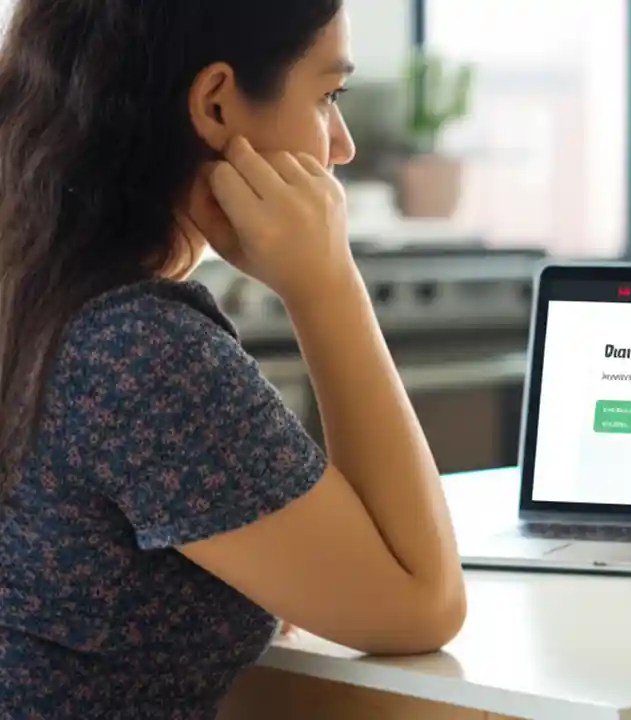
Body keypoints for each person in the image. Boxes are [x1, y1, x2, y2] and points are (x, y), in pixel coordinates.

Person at [0, 1, 467, 717]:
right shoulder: (139, 350)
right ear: (216, 103)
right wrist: (328, 287)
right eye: (327, 96)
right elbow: (420, 603)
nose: (339, 145)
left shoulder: (37, 299)